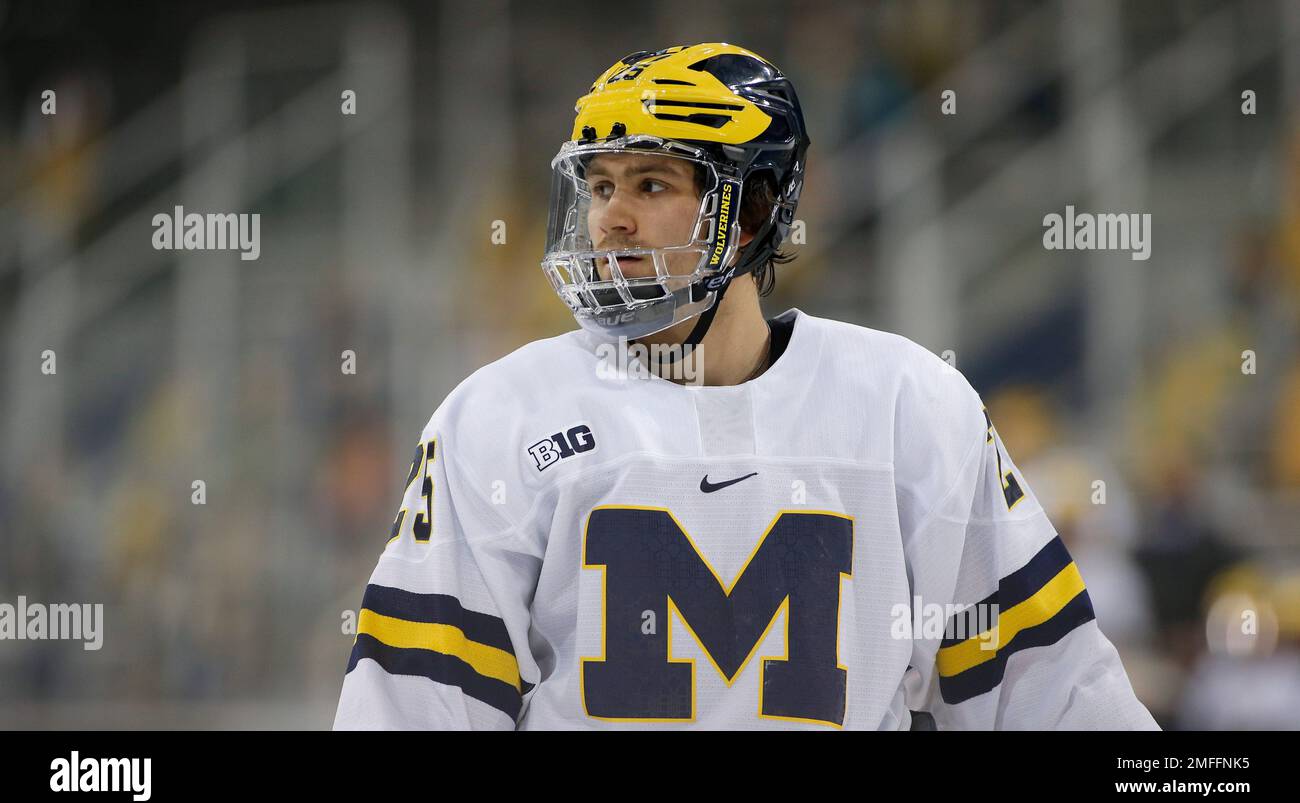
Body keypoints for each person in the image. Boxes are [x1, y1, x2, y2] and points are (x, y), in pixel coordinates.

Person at [333, 42, 1158, 729]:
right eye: (600, 185)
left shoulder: (911, 406)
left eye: (651, 184)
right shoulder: (497, 416)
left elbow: (1055, 694)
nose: (611, 218)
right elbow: (408, 708)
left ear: (755, 210)